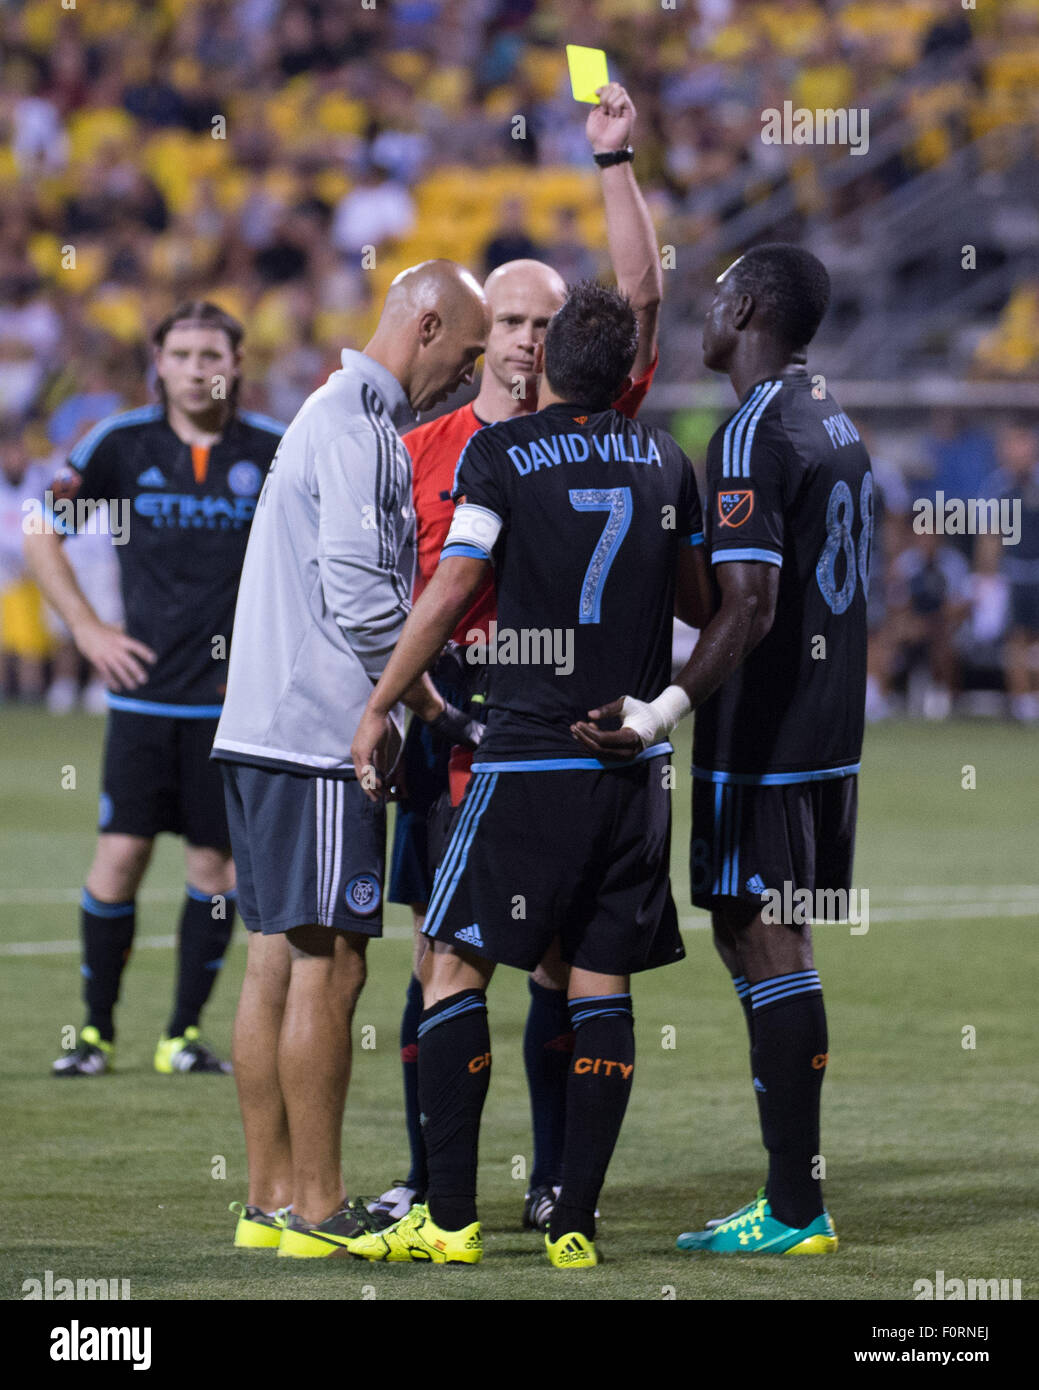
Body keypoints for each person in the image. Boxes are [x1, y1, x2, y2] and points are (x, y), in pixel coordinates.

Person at [348, 280, 711, 1269]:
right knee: (599, 984)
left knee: (448, 965)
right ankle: (576, 1221)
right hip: (633, 766)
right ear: (625, 365)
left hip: (527, 754)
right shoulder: (665, 458)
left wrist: (384, 697)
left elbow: (455, 583)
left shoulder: (499, 451)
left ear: (548, 359)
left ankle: (452, 1219)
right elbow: (697, 599)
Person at [369, 81, 666, 1235]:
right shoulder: (422, 447)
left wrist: (613, 160)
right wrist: (409, 701)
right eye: (514, 322)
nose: (532, 340)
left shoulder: (592, 415)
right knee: (435, 956)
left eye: (547, 323)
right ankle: (426, 1174)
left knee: (554, 965)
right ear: (481, 333)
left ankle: (549, 1184)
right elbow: (399, 592)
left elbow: (638, 294)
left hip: (546, 742)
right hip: (452, 739)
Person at [574, 243, 871, 1255]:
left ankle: (795, 1208)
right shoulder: (831, 416)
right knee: (766, 938)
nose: (701, 313)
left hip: (771, 737)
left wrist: (659, 711)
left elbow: (748, 607)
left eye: (712, 299)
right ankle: (792, 1197)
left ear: (743, 307)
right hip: (828, 733)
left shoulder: (748, 434)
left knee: (765, 938)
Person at [213, 260, 490, 1256]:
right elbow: (366, 600)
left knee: (276, 962)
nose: (460, 380)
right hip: (319, 732)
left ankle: (271, 1201)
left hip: (259, 731)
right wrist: (424, 699)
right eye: (459, 356)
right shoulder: (360, 427)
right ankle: (322, 1210)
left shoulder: (329, 412)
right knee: (331, 971)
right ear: (422, 325)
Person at [27, 301, 283, 1077]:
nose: (199, 367)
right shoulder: (122, 444)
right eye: (183, 354)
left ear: (236, 364)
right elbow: (42, 531)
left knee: (218, 874)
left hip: (230, 706)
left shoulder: (273, 450)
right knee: (122, 855)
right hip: (142, 703)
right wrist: (89, 630)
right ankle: (95, 1033)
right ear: (159, 363)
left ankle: (181, 1036)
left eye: (213, 353)